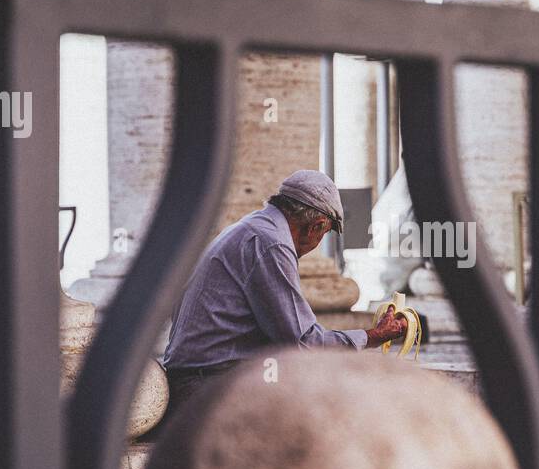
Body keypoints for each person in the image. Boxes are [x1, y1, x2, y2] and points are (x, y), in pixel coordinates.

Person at [160, 169, 408, 419]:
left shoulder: (253, 228)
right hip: (207, 387)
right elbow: (303, 342)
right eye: (324, 234)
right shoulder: (272, 243)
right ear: (316, 226)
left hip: (199, 381)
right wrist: (372, 336)